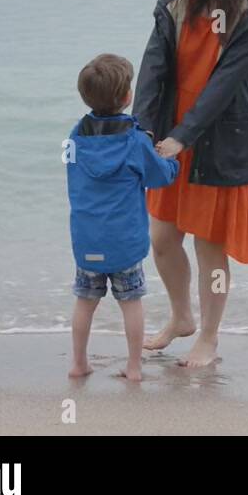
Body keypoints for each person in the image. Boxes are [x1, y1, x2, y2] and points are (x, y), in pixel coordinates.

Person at [133, 0, 248, 367]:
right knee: (160, 238)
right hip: (172, 136)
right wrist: (142, 131)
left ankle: (209, 339)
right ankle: (181, 318)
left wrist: (183, 137)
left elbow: (227, 83)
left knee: (209, 247)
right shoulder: (175, 0)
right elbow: (153, 67)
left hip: (219, 138)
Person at [66, 54, 179, 381]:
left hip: (87, 239)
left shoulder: (76, 136)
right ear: (128, 97)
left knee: (84, 301)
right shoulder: (134, 141)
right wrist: (173, 162)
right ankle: (133, 367)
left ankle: (78, 363)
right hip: (124, 243)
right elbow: (160, 176)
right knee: (131, 303)